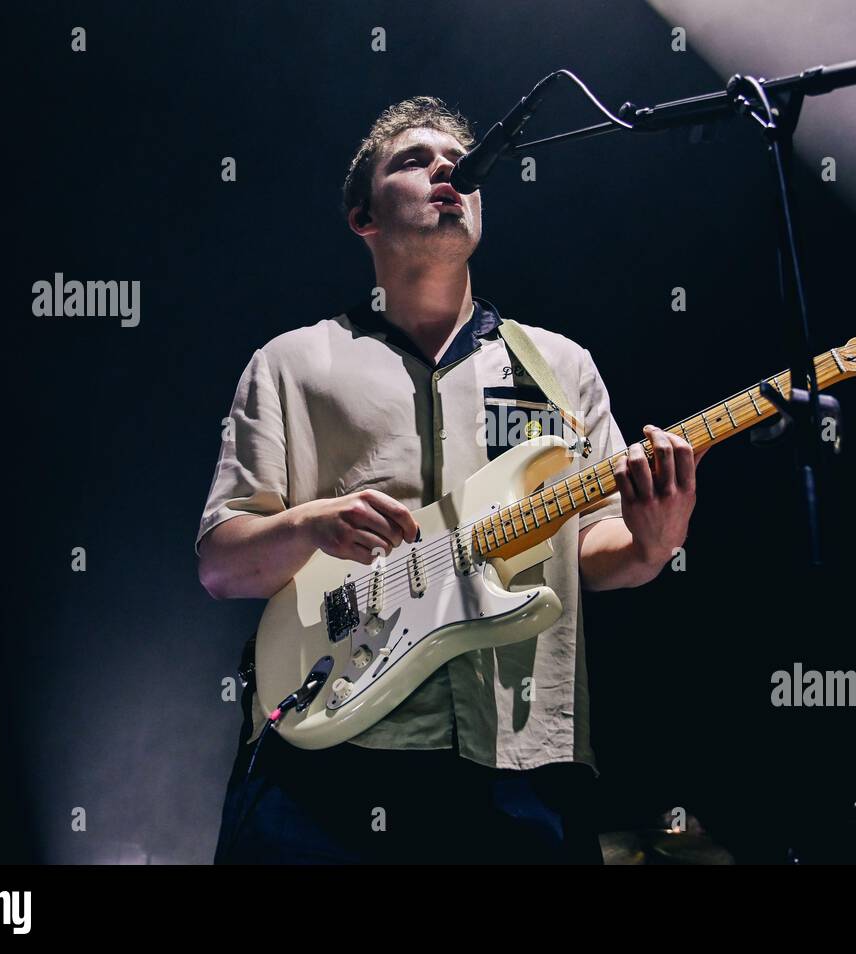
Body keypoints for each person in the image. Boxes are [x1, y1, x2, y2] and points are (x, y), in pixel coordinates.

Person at [197, 96, 708, 863]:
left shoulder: (558, 366)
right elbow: (221, 566)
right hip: (330, 755)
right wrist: (311, 524)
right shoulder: (292, 363)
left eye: (459, 163)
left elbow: (596, 552)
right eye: (415, 160)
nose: (448, 171)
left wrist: (653, 542)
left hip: (522, 762)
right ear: (363, 217)